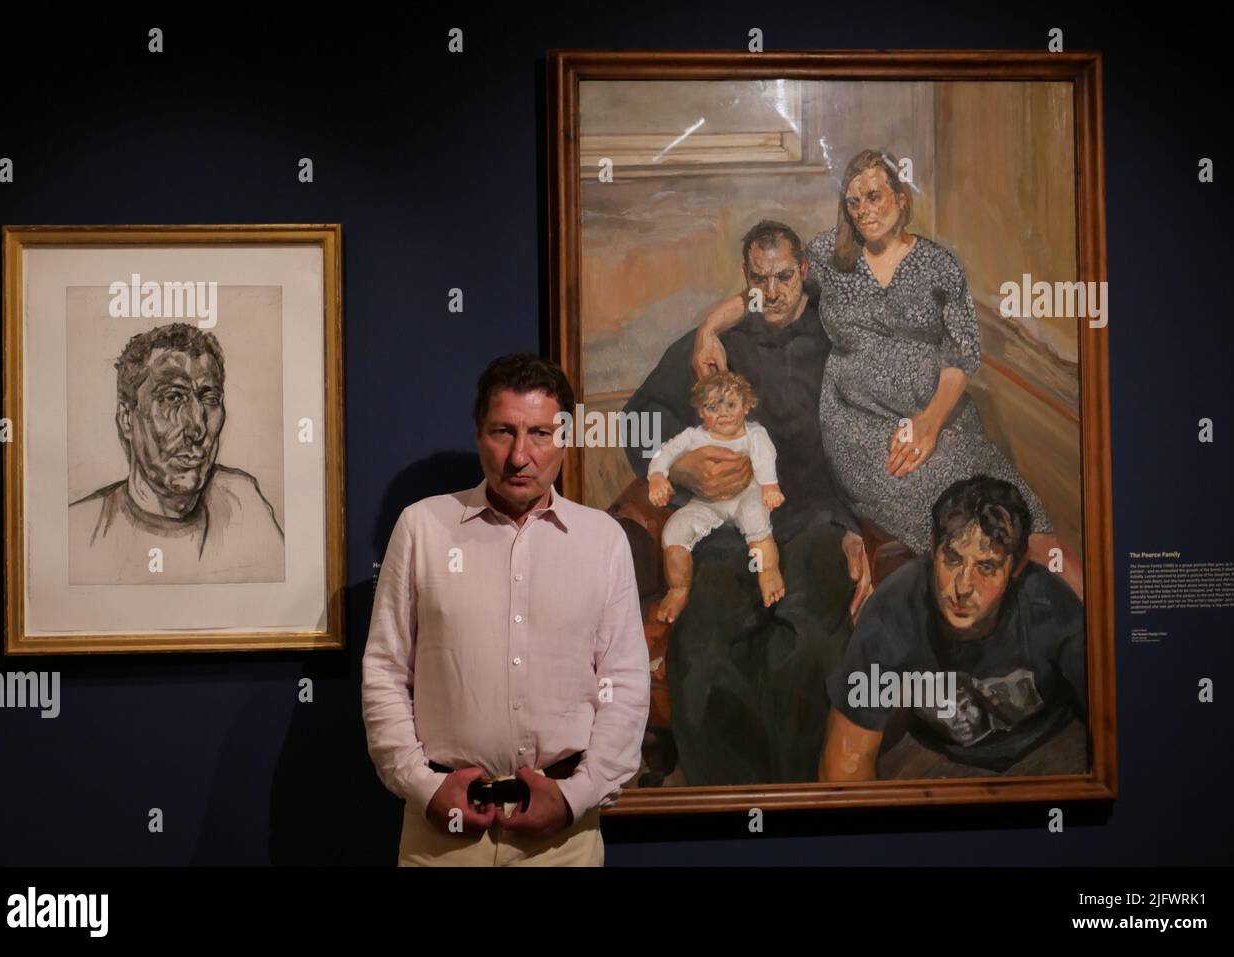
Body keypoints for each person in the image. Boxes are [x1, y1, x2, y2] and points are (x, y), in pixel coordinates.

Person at [693, 150, 1080, 597]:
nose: (864, 211)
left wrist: (930, 424)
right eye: (854, 202)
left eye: (874, 197)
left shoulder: (940, 265)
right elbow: (764, 289)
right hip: (859, 429)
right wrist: (708, 329)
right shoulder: (829, 258)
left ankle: (1088, 637)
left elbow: (962, 354)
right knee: (973, 528)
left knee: (1026, 522)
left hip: (939, 421)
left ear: (900, 199)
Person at [361, 354, 650, 866]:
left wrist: (574, 796)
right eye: (503, 432)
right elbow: (385, 671)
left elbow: (625, 682)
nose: (520, 456)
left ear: (565, 438)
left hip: (564, 839)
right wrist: (422, 789)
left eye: (540, 433)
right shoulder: (422, 528)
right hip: (441, 835)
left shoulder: (602, 540)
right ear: (478, 433)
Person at [621, 220, 870, 786]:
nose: (775, 292)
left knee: (807, 644)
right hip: (724, 527)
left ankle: (797, 804)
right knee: (705, 646)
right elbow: (637, 416)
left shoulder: (838, 331)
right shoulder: (716, 344)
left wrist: (853, 524)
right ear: (745, 279)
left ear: (804, 270)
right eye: (761, 280)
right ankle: (726, 804)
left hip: (812, 521)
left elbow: (868, 441)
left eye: (785, 276)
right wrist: (679, 466)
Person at [820, 475, 1087, 781]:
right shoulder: (892, 610)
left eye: (986, 567)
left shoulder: (1051, 607)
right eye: (952, 559)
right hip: (939, 755)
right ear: (933, 549)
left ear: (1016, 567)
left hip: (1049, 747)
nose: (963, 587)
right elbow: (847, 757)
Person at [68, 322, 284, 584]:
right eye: (173, 397)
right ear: (127, 418)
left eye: (209, 399)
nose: (198, 426)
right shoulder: (79, 531)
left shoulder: (243, 502)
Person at [647, 371, 786, 619]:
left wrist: (769, 486)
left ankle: (768, 571)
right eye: (712, 407)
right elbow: (663, 453)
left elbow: (765, 457)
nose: (723, 413)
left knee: (756, 517)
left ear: (746, 406)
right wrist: (657, 476)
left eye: (731, 405)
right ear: (701, 412)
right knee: (674, 531)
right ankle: (679, 589)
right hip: (707, 503)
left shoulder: (754, 435)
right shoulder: (694, 436)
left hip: (746, 496)